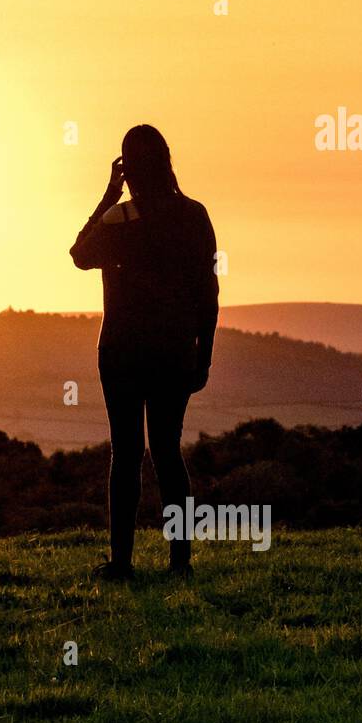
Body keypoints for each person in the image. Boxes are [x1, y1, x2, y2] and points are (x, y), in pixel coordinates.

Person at [70, 125, 218, 579]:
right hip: (174, 350)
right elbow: (208, 293)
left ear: (127, 168)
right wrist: (204, 354)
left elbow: (78, 254)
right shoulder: (193, 215)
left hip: (121, 350)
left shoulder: (120, 218)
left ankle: (122, 562)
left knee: (127, 453)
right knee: (168, 452)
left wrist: (107, 195)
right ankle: (180, 561)